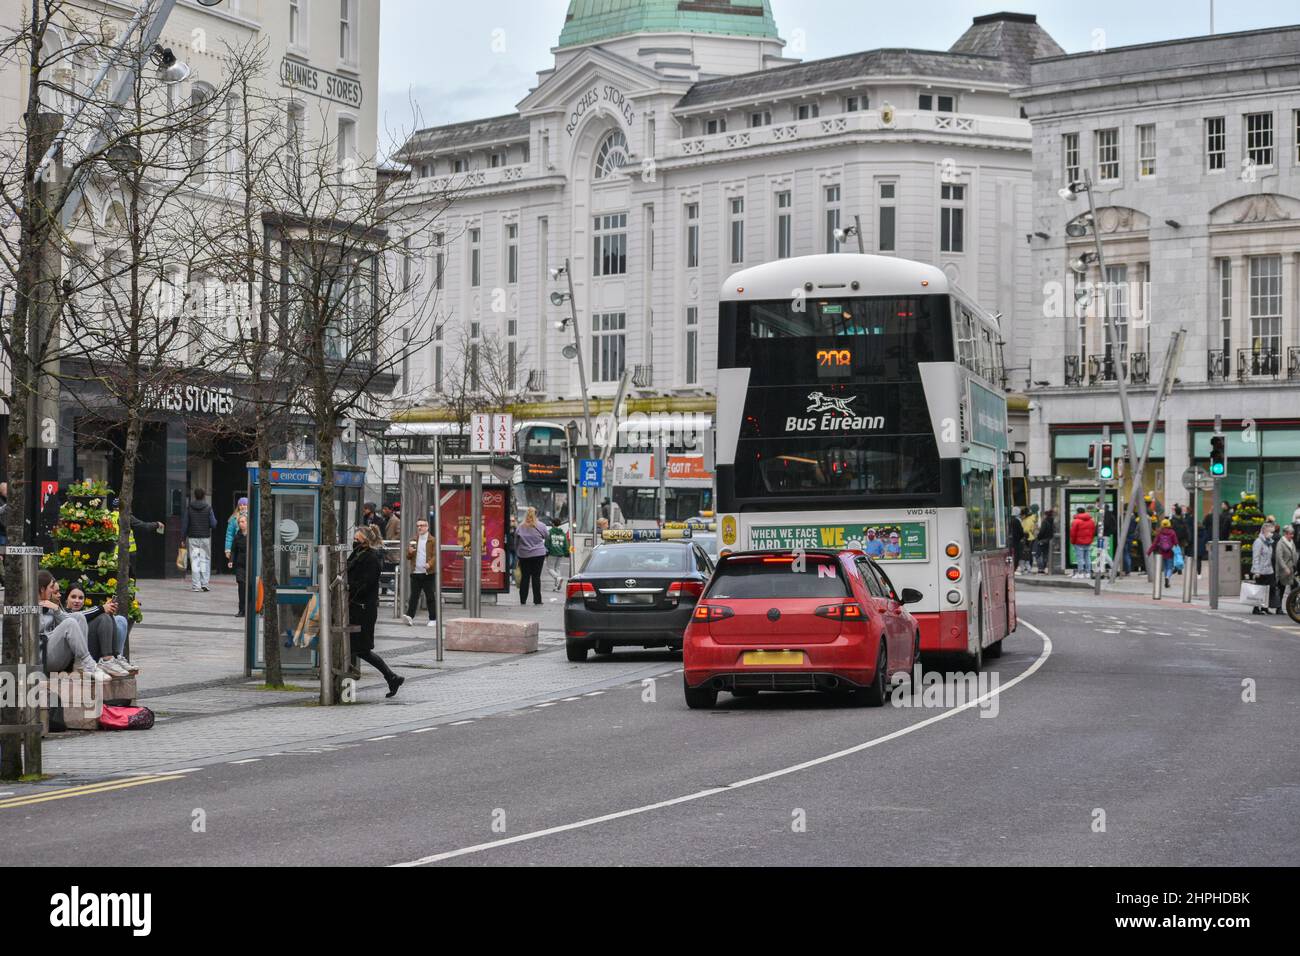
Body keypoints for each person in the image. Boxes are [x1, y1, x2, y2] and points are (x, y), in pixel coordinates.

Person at [347, 526, 404, 697]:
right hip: (354, 607)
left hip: (364, 610)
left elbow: (366, 584)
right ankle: (390, 677)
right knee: (351, 648)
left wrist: (349, 587)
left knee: (361, 649)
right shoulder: (357, 555)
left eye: (357, 538)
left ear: (365, 540)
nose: (354, 541)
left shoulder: (371, 559)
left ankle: (391, 677)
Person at [37, 572, 114, 680]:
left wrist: (57, 610)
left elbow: (69, 621)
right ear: (41, 589)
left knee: (78, 617)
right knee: (71, 622)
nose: (53, 591)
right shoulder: (30, 608)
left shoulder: (49, 604)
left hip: (55, 656)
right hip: (42, 659)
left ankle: (80, 667)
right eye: (51, 587)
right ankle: (90, 665)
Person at [64, 584, 135, 676]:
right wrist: (102, 608)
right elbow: (77, 616)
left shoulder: (87, 612)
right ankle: (107, 659)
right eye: (73, 597)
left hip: (93, 651)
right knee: (103, 617)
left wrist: (107, 609)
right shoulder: (63, 612)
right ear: (66, 599)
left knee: (119, 619)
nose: (77, 601)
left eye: (81, 598)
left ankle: (115, 657)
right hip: (76, 657)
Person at [181, 488, 217, 592]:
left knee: (195, 561)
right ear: (204, 496)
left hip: (193, 538)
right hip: (205, 538)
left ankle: (196, 585)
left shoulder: (189, 508)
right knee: (205, 560)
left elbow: (185, 524)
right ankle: (205, 583)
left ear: (195, 496)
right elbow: (213, 524)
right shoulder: (208, 508)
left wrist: (183, 538)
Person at [403, 517, 437, 627]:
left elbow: (435, 556)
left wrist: (429, 564)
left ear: (427, 527)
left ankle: (433, 618)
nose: (419, 528)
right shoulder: (414, 539)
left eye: (422, 525)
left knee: (430, 596)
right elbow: (408, 557)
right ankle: (409, 616)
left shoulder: (433, 540)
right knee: (414, 596)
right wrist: (409, 551)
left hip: (428, 573)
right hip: (415, 572)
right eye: (418, 526)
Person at [514, 507, 549, 606]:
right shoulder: (541, 526)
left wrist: (517, 551)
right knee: (536, 577)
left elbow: (516, 541)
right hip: (538, 554)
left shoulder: (521, 526)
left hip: (524, 555)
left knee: (525, 577)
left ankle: (523, 600)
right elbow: (547, 536)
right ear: (536, 514)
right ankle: (537, 600)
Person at [1249, 522, 1277, 615]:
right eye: (1270, 532)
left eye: (1272, 532)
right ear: (1264, 531)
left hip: (1269, 570)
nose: (1271, 534)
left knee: (1269, 589)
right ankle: (1256, 608)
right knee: (1259, 590)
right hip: (1260, 571)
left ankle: (1265, 607)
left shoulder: (1269, 542)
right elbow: (1255, 557)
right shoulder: (1258, 542)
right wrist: (1256, 571)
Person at [1146, 518, 1178, 586]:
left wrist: (1149, 552)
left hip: (1162, 552)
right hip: (1170, 552)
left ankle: (1166, 580)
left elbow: (1154, 544)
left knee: (1165, 567)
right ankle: (1167, 577)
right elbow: (1176, 542)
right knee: (1170, 567)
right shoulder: (1172, 532)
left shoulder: (1159, 533)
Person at [228, 514, 249, 617]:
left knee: (250, 587)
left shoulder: (252, 536)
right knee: (241, 587)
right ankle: (241, 610)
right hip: (240, 565)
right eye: (239, 522)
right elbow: (233, 550)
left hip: (250, 564)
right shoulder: (237, 536)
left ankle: (254, 608)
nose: (241, 524)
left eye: (243, 522)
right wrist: (231, 560)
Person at [1275, 525, 1297, 613]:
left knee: (1295, 587)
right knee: (1281, 588)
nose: (1292, 536)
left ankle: (1293, 607)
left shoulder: (1291, 542)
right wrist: (1285, 568)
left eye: (1292, 534)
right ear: (1285, 533)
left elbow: (1294, 555)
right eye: (1290, 534)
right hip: (1283, 571)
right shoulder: (1280, 543)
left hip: (1291, 570)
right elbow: (1279, 558)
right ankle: (1278, 608)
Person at [1069, 506, 1096, 578]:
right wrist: (1090, 540)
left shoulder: (1076, 521)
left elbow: (1073, 533)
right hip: (1088, 542)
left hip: (1078, 542)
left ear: (1077, 512)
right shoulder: (1091, 521)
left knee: (1080, 558)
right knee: (1087, 557)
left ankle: (1080, 573)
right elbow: (1093, 532)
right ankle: (1088, 573)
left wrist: (1073, 542)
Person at [224, 497, 249, 570]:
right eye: (240, 505)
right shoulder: (233, 518)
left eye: (245, 504)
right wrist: (228, 549)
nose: (242, 506)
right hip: (238, 545)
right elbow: (229, 535)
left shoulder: (253, 516)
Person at [545, 520, 569, 591]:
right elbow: (565, 544)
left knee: (550, 569)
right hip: (560, 553)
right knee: (557, 568)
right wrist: (566, 552)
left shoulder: (550, 532)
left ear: (552, 524)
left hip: (552, 552)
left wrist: (547, 551)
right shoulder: (562, 533)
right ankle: (556, 586)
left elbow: (547, 543)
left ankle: (558, 578)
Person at [1019, 505, 1039, 574]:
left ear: (1024, 515)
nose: (1021, 517)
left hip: (1028, 538)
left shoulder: (1027, 520)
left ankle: (1028, 567)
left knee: (1027, 553)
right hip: (1030, 537)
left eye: (1021, 515)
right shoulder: (1030, 519)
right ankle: (1028, 567)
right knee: (1028, 553)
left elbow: (1026, 530)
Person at [1035, 509, 1055, 574]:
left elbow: (1042, 532)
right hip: (1048, 540)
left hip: (1042, 540)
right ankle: (1043, 567)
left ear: (1045, 515)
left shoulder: (1045, 522)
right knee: (1045, 555)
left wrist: (1038, 537)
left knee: (1038, 554)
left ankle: (1040, 568)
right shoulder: (1052, 521)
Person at [1008, 508, 1024, 574]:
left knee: (1010, 555)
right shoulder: (1017, 521)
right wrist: (1021, 537)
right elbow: (1021, 531)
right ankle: (1014, 568)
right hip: (1016, 541)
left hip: (1010, 541)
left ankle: (1010, 567)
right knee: (1016, 555)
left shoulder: (1010, 520)